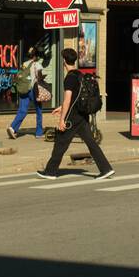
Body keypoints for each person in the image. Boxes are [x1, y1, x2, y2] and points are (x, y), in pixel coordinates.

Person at [36, 48, 114, 180]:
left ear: (64, 61)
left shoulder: (69, 78)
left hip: (73, 117)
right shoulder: (79, 74)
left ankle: (50, 171)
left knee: (60, 142)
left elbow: (68, 99)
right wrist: (61, 108)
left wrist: (62, 119)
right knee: (91, 143)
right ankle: (106, 169)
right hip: (82, 116)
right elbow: (77, 97)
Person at [7, 48, 45, 139]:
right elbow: (39, 78)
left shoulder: (24, 64)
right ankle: (39, 132)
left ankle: (12, 128)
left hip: (23, 89)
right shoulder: (37, 64)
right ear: (36, 56)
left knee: (22, 110)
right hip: (33, 90)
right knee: (39, 110)